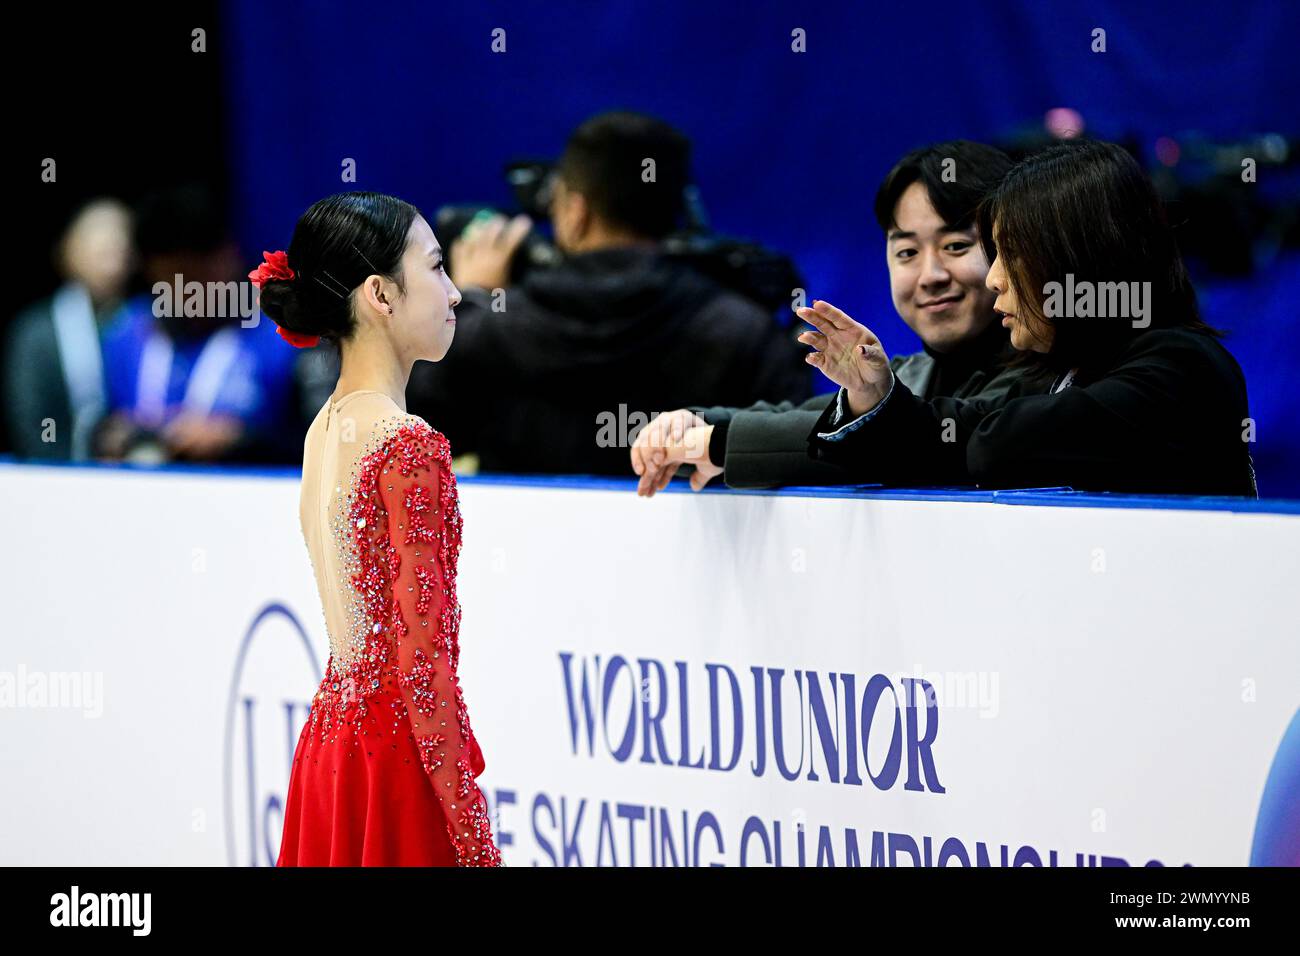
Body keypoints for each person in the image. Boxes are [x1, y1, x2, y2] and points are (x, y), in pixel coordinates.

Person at [803, 140, 1256, 498]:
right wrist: (873, 394)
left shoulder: (1180, 365)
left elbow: (994, 444)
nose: (995, 278)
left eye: (1012, 253)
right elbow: (960, 432)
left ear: (1078, 259)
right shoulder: (1075, 369)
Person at [267, 191, 502, 866]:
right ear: (381, 293)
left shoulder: (324, 428)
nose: (457, 292)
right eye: (436, 268)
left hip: (332, 753)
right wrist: (471, 834)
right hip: (398, 770)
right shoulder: (407, 445)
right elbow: (423, 669)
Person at [406, 111, 811, 476]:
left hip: (526, 554)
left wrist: (473, 298)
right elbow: (793, 446)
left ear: (576, 212)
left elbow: (411, 433)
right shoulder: (743, 330)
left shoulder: (494, 330)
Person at [630, 140, 1030, 495]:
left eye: (956, 246)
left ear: (1011, 249)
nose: (931, 276)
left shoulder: (1044, 381)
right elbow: (807, 416)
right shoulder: (914, 374)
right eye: (907, 253)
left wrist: (716, 443)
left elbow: (896, 442)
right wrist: (694, 423)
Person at [94, 185, 298, 464]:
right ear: (150, 270)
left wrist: (241, 440)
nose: (192, 291)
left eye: (199, 274)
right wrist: (108, 436)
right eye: (175, 276)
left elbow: (316, 449)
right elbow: (94, 428)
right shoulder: (124, 333)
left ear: (230, 256)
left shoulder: (281, 335)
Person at [3, 198, 133, 460]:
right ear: (69, 251)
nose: (112, 261)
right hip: (58, 475)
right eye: (101, 250)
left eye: (119, 248)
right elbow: (30, 419)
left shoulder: (145, 326)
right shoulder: (37, 332)